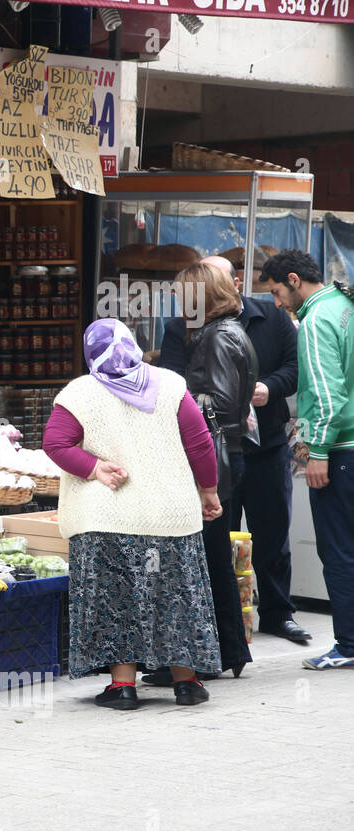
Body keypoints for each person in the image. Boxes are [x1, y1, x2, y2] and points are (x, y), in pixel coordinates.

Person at [44, 318, 223, 709]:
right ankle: (187, 682)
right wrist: (208, 491)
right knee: (175, 597)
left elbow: (56, 442)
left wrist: (93, 468)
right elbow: (199, 443)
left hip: (107, 517)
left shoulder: (80, 392)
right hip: (170, 517)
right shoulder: (171, 384)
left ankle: (122, 688)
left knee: (115, 598)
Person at [159, 254, 309, 644]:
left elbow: (296, 368)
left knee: (272, 533)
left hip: (262, 445)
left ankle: (277, 613)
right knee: (217, 537)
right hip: (217, 450)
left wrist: (267, 388)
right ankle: (223, 623)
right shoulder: (184, 327)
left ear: (228, 285)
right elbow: (174, 380)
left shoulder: (268, 318)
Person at [146, 262, 255, 686]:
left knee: (203, 560)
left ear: (201, 296)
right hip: (222, 456)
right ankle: (225, 651)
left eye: (182, 294)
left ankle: (207, 657)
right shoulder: (221, 332)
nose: (177, 302)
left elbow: (221, 406)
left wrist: (175, 398)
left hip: (215, 459)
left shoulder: (219, 337)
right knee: (211, 558)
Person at [259, 249, 354, 670]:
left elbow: (329, 394)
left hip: (339, 451)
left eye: (278, 292)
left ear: (294, 280)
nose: (277, 303)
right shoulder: (345, 304)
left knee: (338, 552)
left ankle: (349, 646)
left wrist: (318, 453)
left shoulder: (315, 320)